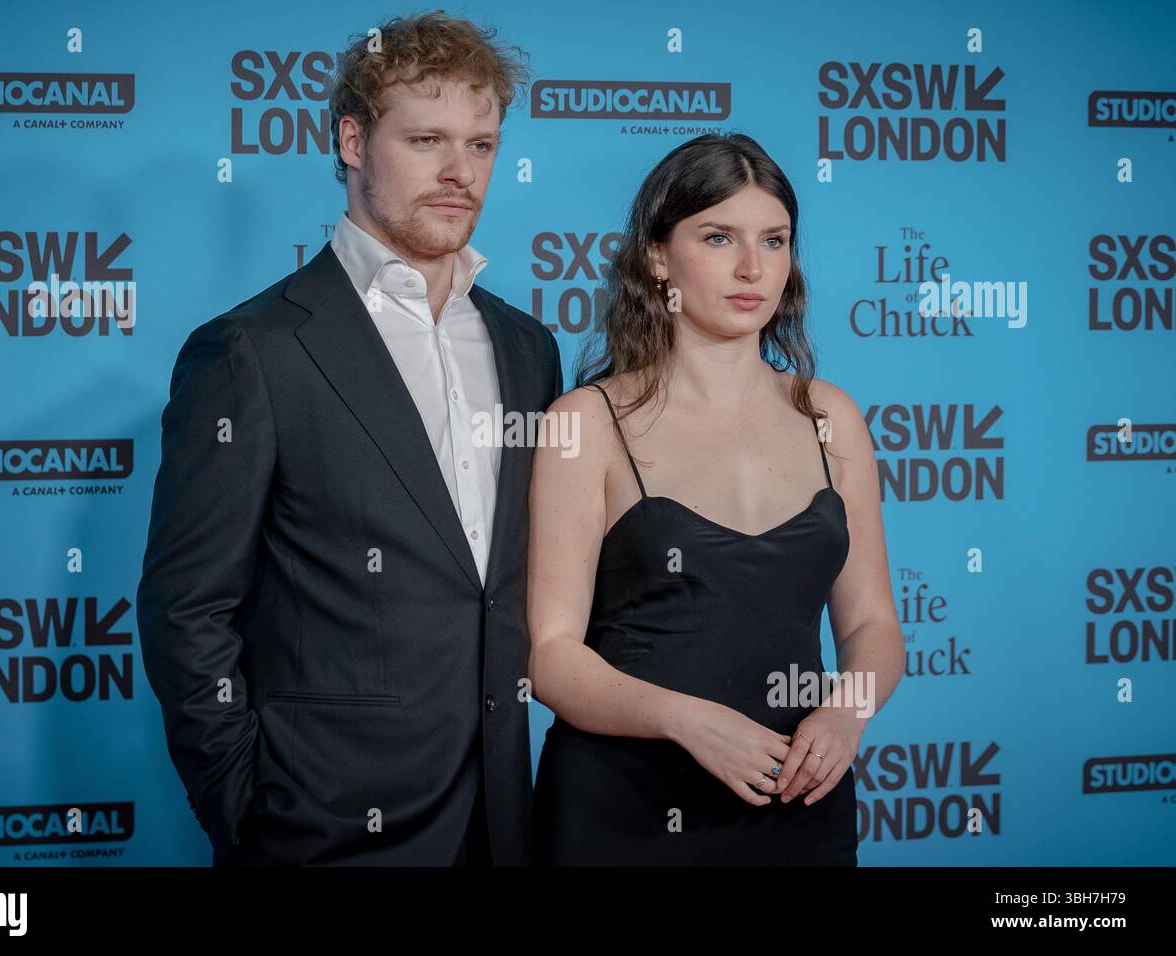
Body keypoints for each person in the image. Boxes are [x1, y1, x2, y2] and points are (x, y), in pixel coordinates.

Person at [136, 12, 557, 866]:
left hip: (504, 823)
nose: (457, 172)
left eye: (481, 145)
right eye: (427, 139)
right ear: (354, 141)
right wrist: (250, 809)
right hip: (318, 830)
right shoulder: (252, 351)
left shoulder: (527, 348)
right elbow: (186, 610)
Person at [527, 133, 906, 865]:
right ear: (657, 257)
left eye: (774, 239)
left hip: (798, 802)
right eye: (718, 237)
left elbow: (872, 622)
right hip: (623, 809)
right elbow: (550, 655)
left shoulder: (832, 417)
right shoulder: (586, 421)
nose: (751, 268)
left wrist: (846, 713)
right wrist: (687, 721)